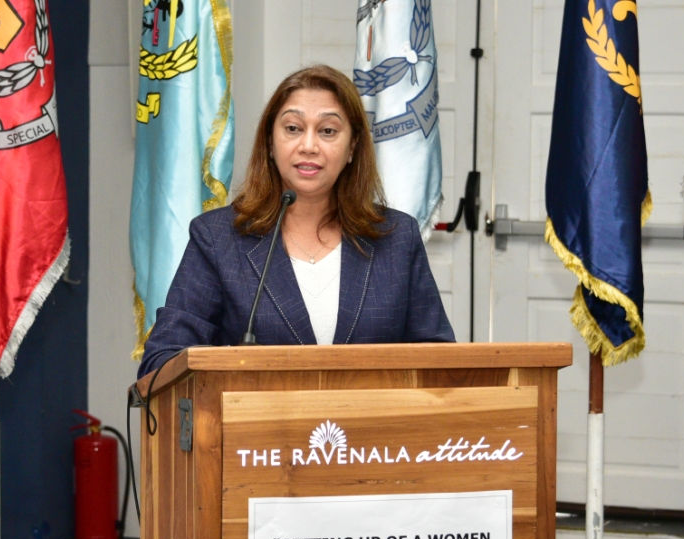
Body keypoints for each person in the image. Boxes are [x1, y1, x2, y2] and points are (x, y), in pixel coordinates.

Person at [138, 65, 454, 377]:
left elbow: (441, 362)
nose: (308, 146)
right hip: (256, 424)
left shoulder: (396, 238)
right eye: (293, 128)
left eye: (328, 131)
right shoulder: (218, 239)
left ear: (352, 147)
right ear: (271, 144)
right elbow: (163, 359)